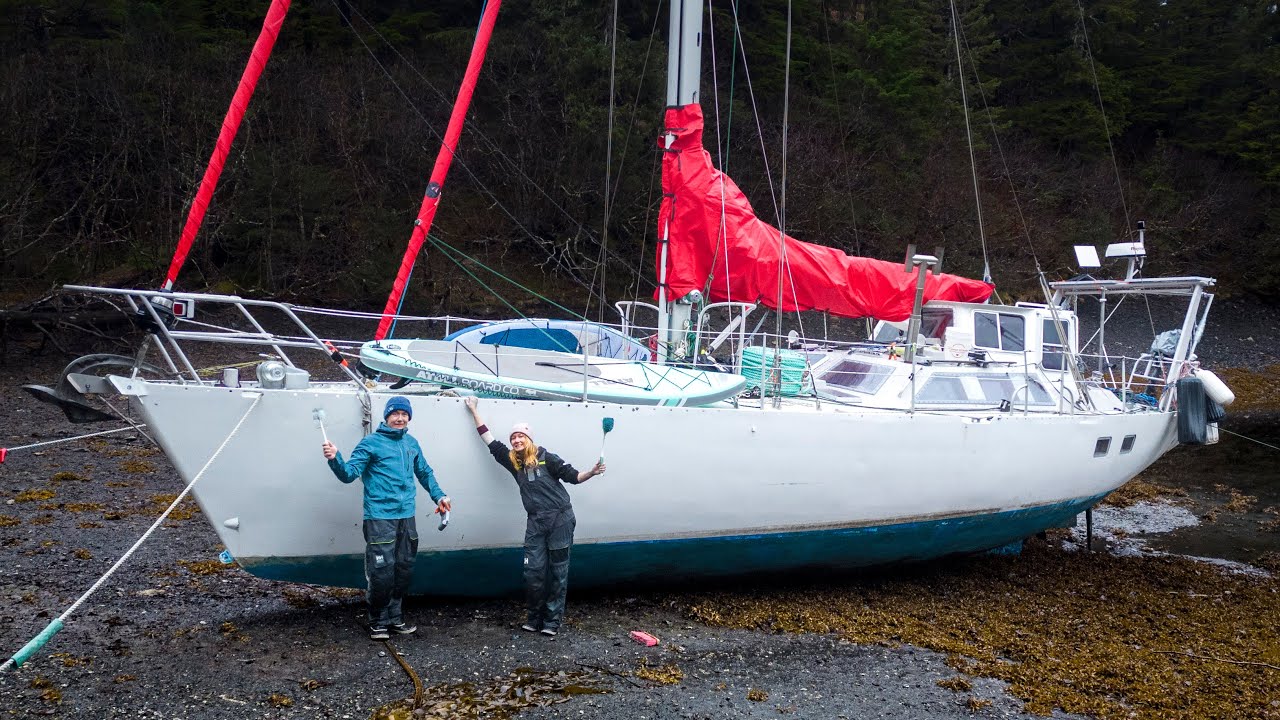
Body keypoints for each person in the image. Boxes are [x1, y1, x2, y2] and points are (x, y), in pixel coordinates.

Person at [463, 396, 605, 636]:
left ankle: (552, 621)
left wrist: (591, 471)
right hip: (536, 522)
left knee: (558, 572)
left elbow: (573, 477)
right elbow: (488, 439)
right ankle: (533, 617)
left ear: (529, 438)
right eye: (513, 438)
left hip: (561, 519)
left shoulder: (547, 457)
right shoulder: (512, 462)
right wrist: (473, 409)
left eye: (520, 436)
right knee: (533, 571)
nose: (516, 440)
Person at [323, 396, 450, 640]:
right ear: (387, 416)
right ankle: (377, 620)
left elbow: (425, 473)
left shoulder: (411, 443)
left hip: (407, 517)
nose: (400, 418)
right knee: (382, 571)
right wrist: (335, 458)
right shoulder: (370, 443)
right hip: (380, 517)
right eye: (395, 414)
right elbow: (348, 474)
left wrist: (439, 496)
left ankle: (395, 617)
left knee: (404, 569)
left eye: (404, 415)